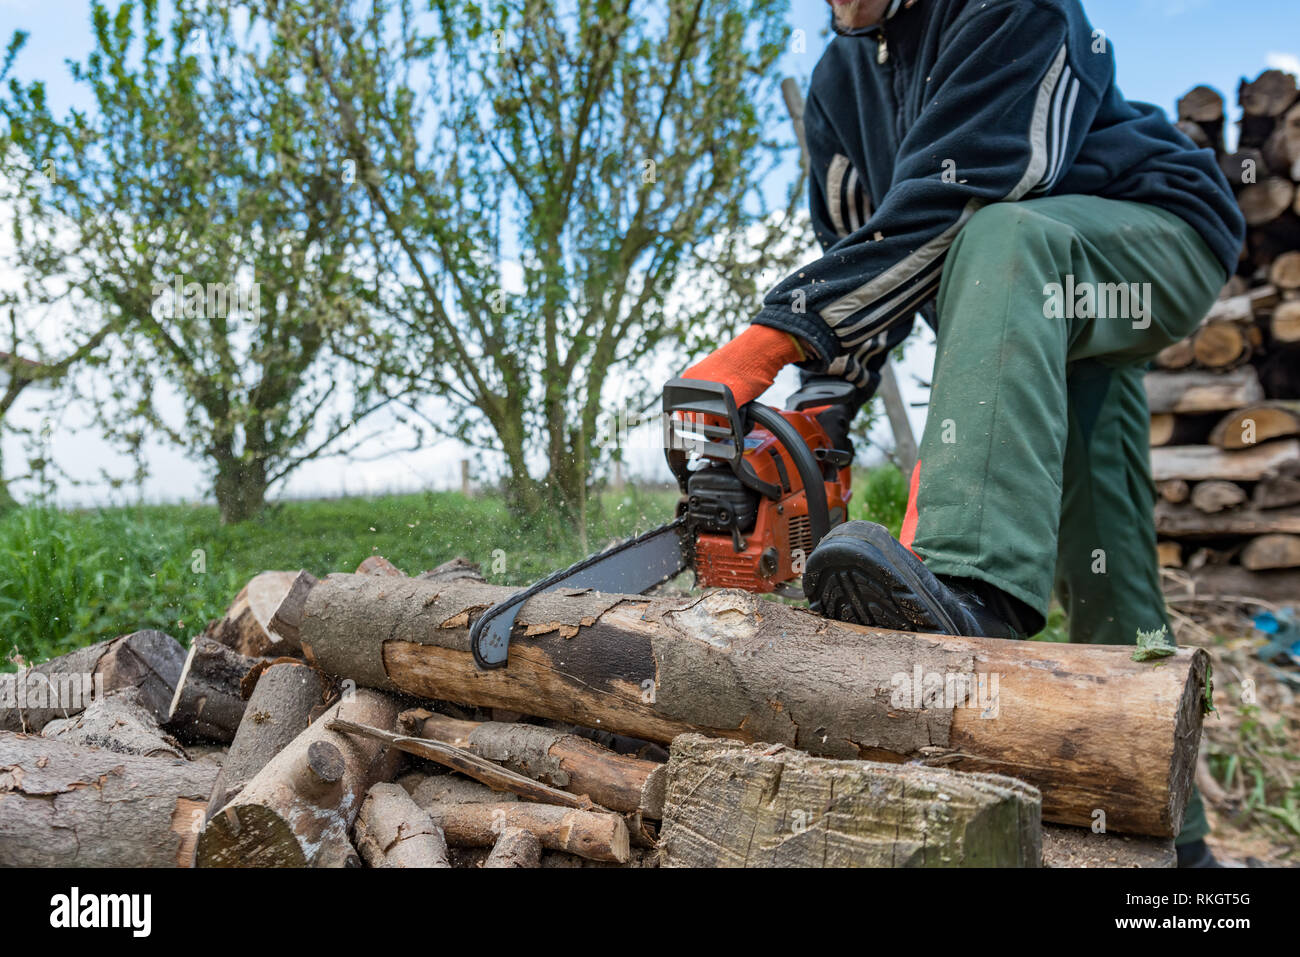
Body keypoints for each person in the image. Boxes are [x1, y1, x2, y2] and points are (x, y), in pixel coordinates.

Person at [681, 0, 1244, 867]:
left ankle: (975, 589)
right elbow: (868, 263)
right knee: (1109, 551)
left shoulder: (1015, 9)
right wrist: (816, 415)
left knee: (1004, 233)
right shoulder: (839, 86)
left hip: (1152, 232)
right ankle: (1181, 847)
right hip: (1037, 301)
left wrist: (764, 342)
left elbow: (965, 199)